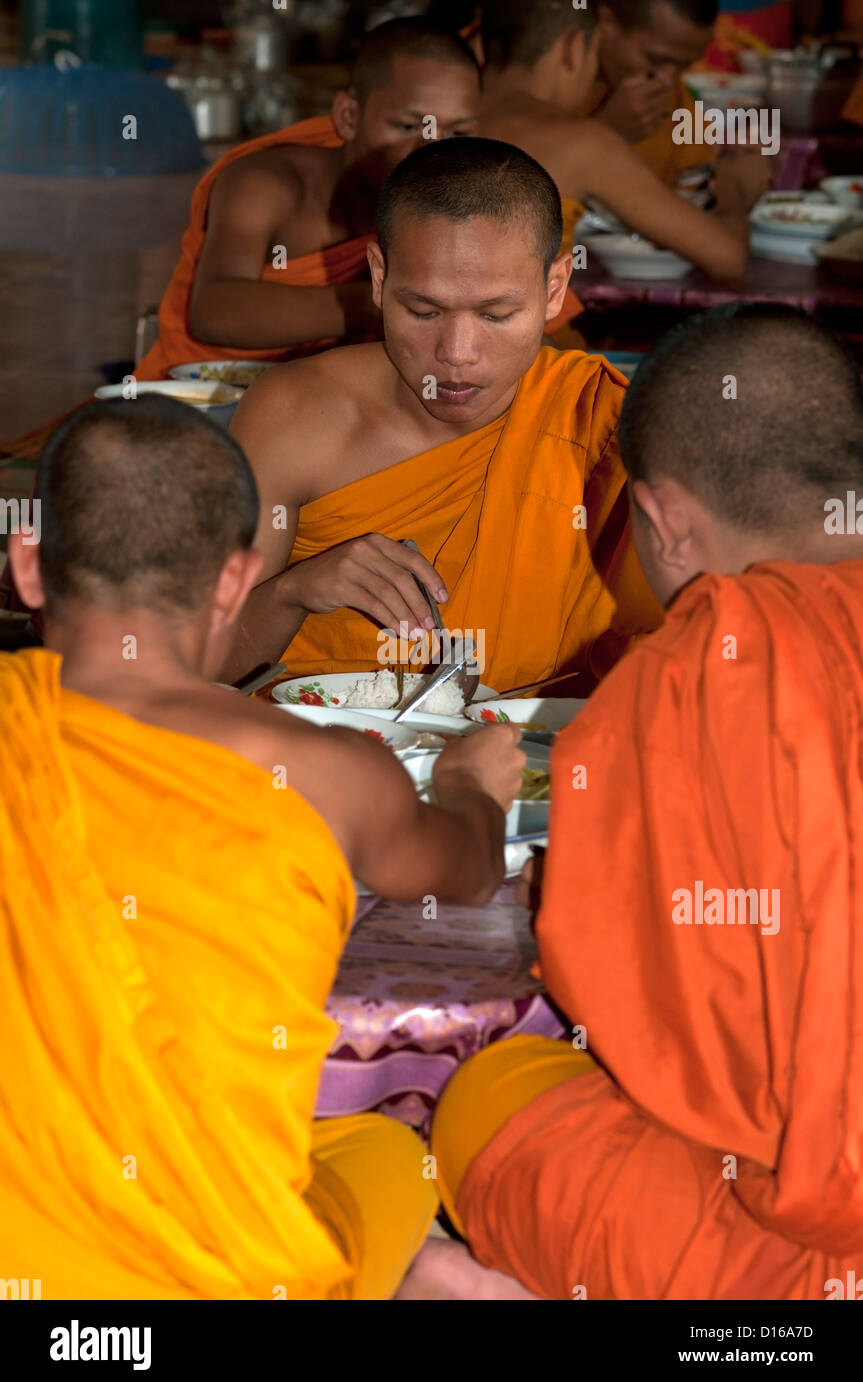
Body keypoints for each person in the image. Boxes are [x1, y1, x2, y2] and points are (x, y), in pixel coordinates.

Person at [0, 395, 526, 1300]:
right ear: (236, 582)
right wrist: (470, 783)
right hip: (229, 1275)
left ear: (28, 568)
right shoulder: (325, 770)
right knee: (389, 1150)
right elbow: (467, 874)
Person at [416, 303, 863, 1300]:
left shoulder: (704, 666)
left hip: (801, 1254)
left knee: (488, 1095)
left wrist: (465, 798)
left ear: (660, 520)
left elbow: (603, 985)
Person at [225, 137, 663, 692]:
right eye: (423, 310)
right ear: (379, 278)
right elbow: (205, 665)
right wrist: (295, 590)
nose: (457, 352)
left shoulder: (600, 422)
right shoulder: (292, 414)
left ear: (554, 291)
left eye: (497, 315)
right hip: (312, 760)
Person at [134, 18, 481, 381]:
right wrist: (367, 303)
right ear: (349, 116)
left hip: (328, 403)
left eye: (457, 132)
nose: (432, 150)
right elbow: (213, 311)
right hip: (207, 394)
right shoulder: (270, 183)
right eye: (408, 126)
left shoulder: (455, 196)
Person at [478, 0, 771, 279]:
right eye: (593, 52)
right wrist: (733, 187)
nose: (666, 81)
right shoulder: (585, 142)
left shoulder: (447, 111)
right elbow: (728, 258)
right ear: (573, 46)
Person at [581, 0, 718, 183]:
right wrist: (605, 135)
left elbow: (695, 183)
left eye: (684, 65)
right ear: (607, 20)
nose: (668, 80)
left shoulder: (671, 93)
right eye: (655, 59)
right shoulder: (555, 84)